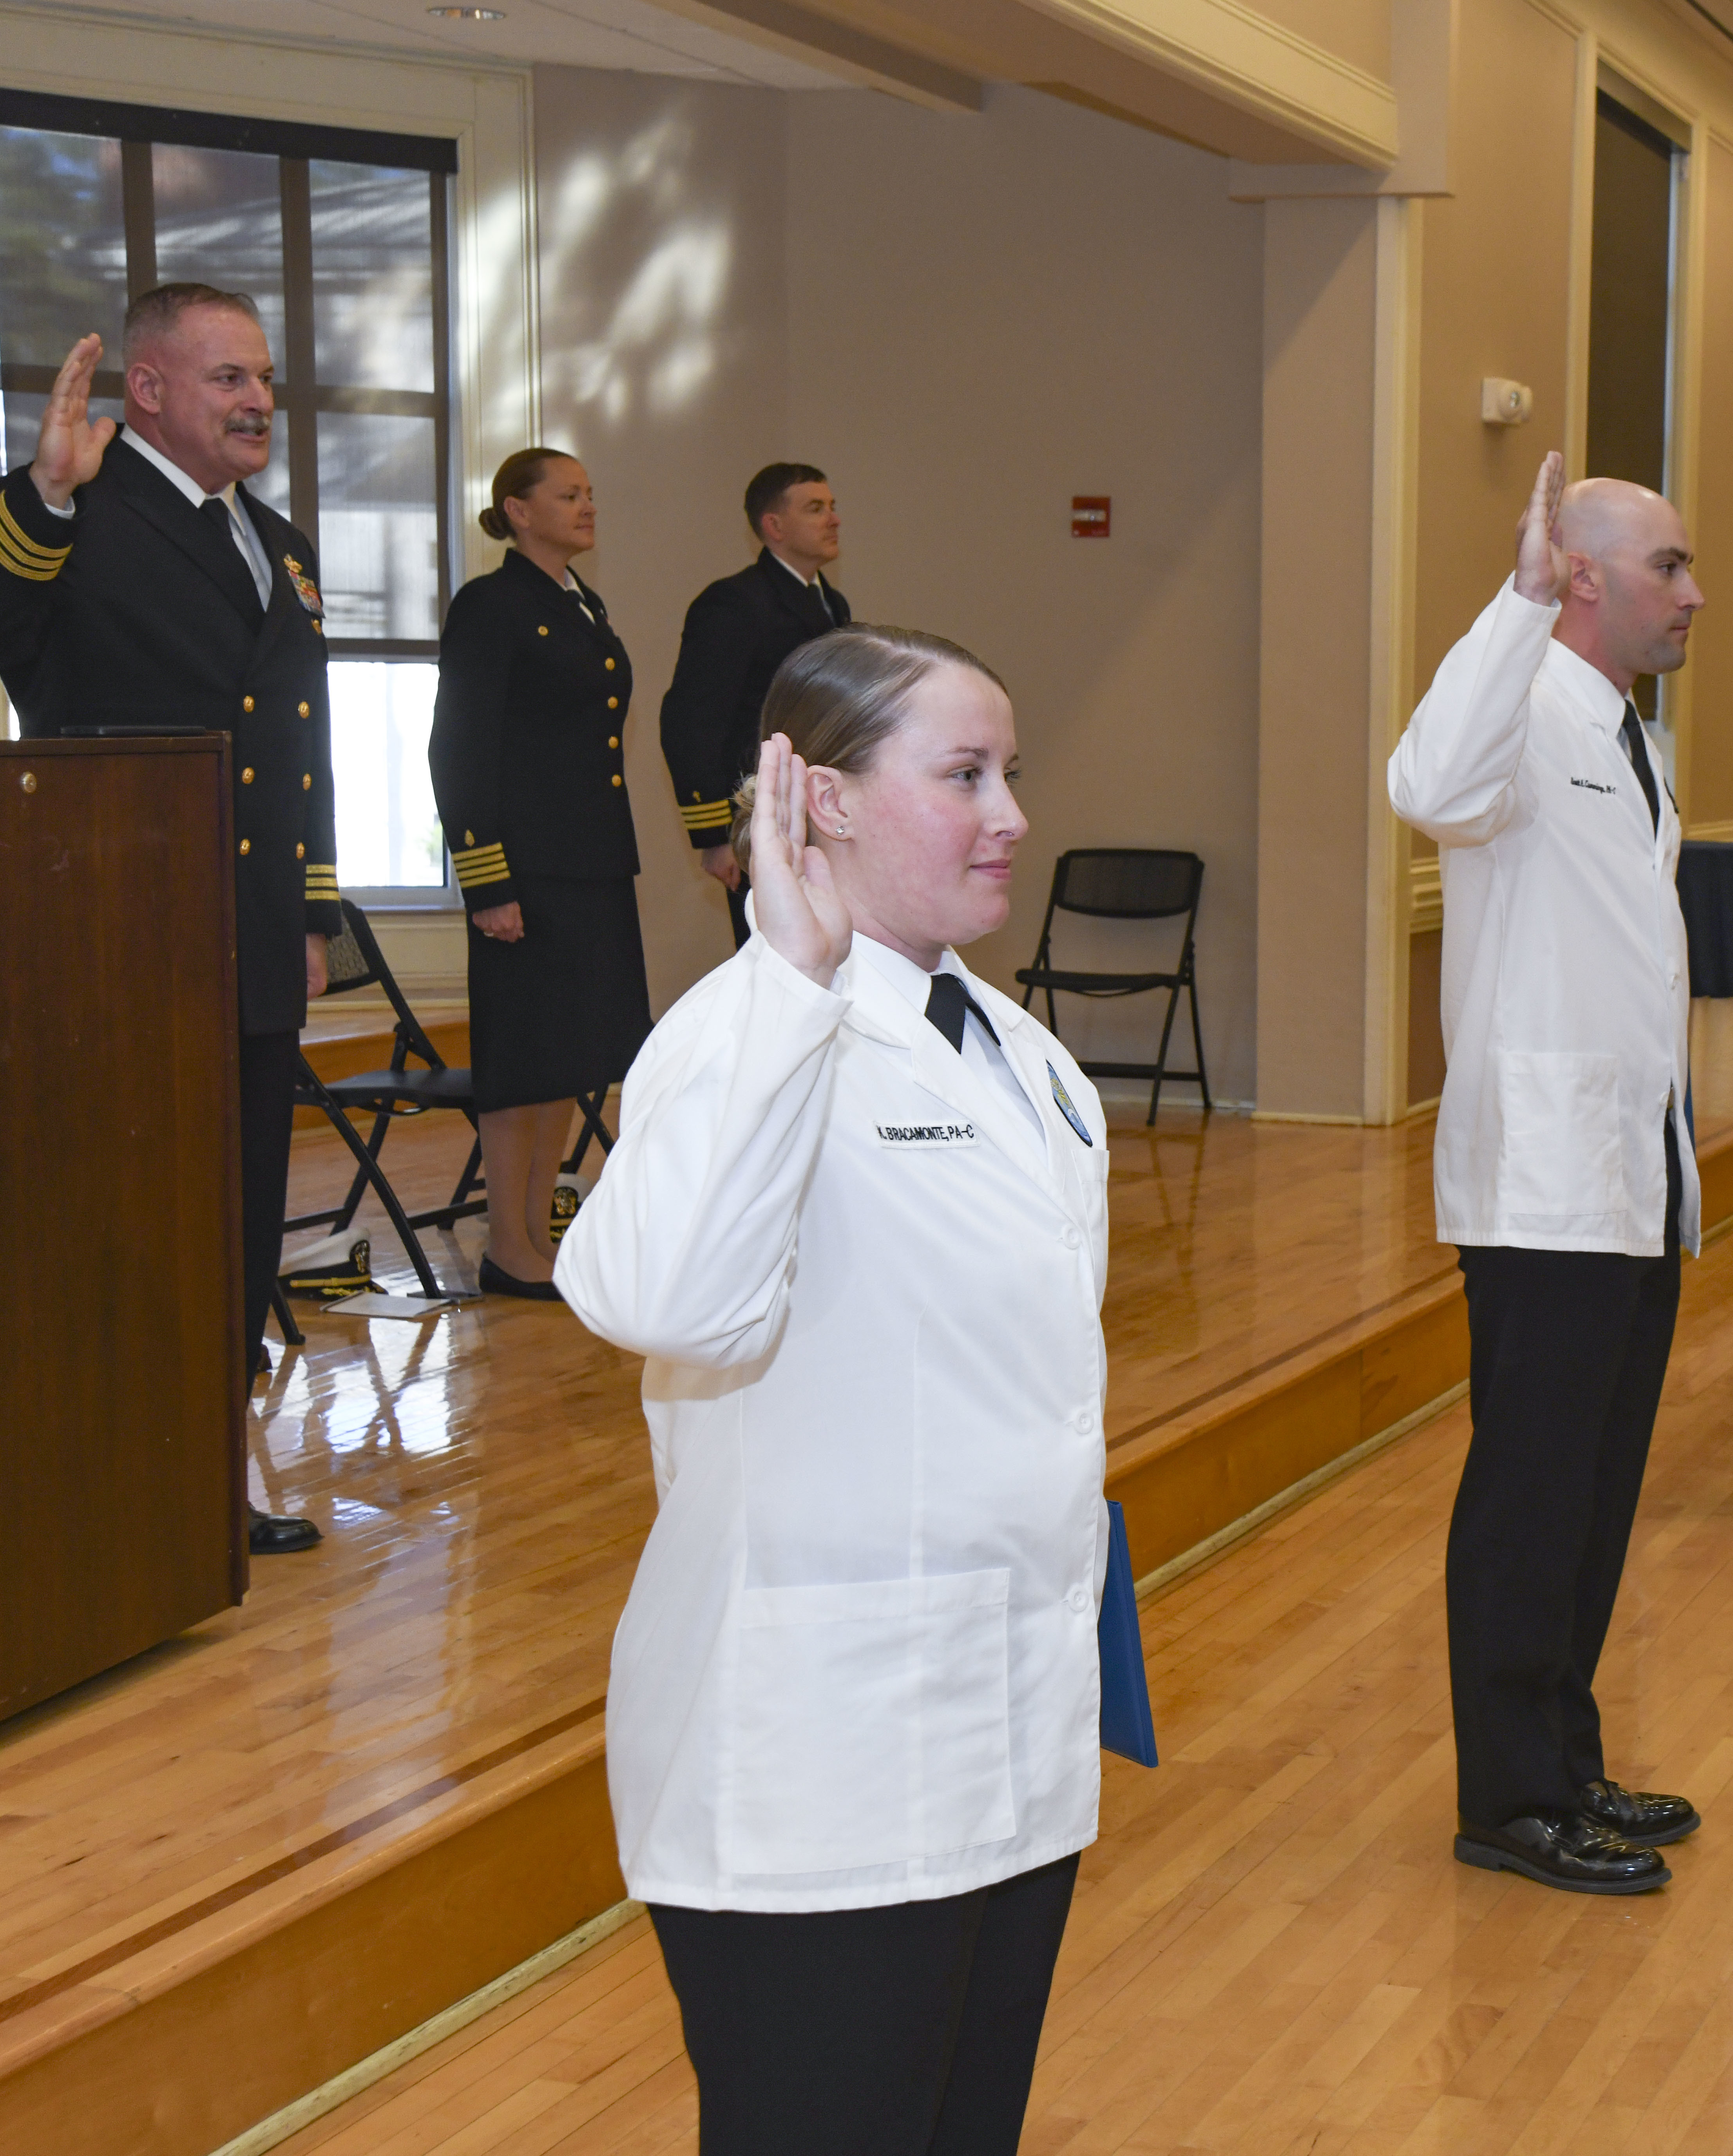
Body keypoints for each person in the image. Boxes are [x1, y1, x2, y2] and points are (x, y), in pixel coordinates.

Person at [555, 626, 1108, 2154]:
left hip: (1005, 1746)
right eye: (962, 774)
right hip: (819, 1774)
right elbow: (663, 1300)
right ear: (823, 802)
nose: (1008, 813)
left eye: (1011, 773)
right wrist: (790, 983)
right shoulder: (729, 1041)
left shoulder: (1019, 1052)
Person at [0, 287, 334, 1556]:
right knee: (126, 1216)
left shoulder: (276, 536)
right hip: (119, 938)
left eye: (262, 377)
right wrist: (38, 496)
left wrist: (308, 907)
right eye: (227, 379)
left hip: (248, 934)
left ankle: (213, 1472)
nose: (259, 398)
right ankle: (100, 1478)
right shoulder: (74, 513)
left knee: (239, 1214)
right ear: (146, 389)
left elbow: (292, 742)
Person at [1386, 452, 1706, 1897]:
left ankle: (1563, 1756)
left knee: (1593, 1485)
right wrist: (1507, 608)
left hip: (1629, 1169)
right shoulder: (1512, 701)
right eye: (1669, 567)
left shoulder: (1629, 732)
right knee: (1529, 1492)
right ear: (1579, 575)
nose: (1692, 594)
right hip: (1543, 1182)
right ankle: (1506, 1796)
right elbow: (1423, 782)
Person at [427, 449, 651, 1297]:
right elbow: (459, 745)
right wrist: (487, 880)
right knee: (523, 1058)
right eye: (568, 494)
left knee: (569, 1055)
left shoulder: (578, 602)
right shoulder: (492, 605)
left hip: (589, 861)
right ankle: (506, 1242)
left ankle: (533, 1233)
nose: (588, 506)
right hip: (527, 870)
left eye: (592, 493)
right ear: (518, 511)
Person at [659, 463, 852, 944]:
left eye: (832, 506)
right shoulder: (734, 603)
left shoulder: (833, 604)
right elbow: (692, 719)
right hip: (763, 816)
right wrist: (714, 834)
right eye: (815, 508)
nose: (833, 519)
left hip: (821, 815)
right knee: (781, 961)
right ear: (774, 526)